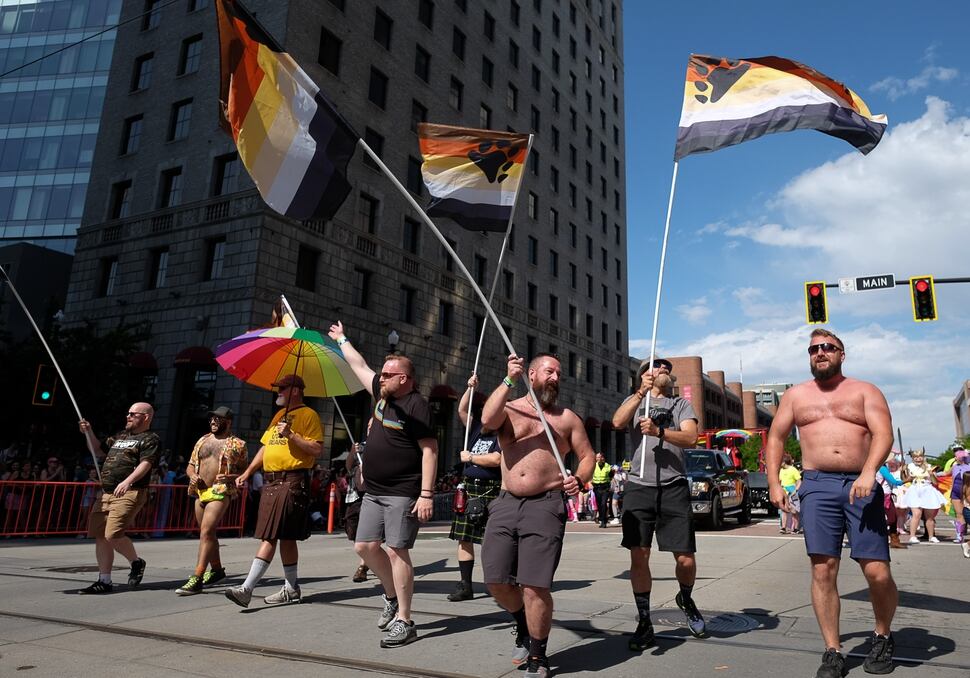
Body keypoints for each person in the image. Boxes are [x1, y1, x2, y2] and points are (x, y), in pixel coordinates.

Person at [766, 329, 898, 678]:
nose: (819, 353)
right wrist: (774, 482)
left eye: (827, 347)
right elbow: (776, 437)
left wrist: (869, 472)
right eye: (813, 349)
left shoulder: (865, 390)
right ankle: (833, 650)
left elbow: (883, 433)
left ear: (842, 353)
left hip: (860, 482)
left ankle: (882, 636)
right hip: (817, 484)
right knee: (823, 569)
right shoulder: (795, 396)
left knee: (877, 571)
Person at [481, 353, 595, 678]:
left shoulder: (567, 418)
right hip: (505, 502)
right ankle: (521, 623)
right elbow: (487, 421)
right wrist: (507, 379)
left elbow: (587, 457)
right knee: (496, 581)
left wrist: (580, 478)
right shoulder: (510, 408)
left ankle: (538, 656)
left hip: (546, 504)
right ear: (531, 374)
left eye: (559, 373)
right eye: (549, 371)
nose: (556, 378)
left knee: (534, 586)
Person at [328, 321, 438, 649]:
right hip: (374, 491)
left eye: (389, 374)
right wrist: (342, 338)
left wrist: (426, 494)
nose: (382, 376)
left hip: (402, 491)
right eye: (383, 374)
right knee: (364, 547)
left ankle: (405, 619)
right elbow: (358, 364)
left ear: (404, 379)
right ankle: (390, 596)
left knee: (396, 550)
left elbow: (430, 450)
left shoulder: (417, 405)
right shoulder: (381, 391)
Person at [611, 356, 707, 652]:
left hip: (673, 486)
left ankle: (686, 597)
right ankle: (644, 620)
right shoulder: (635, 401)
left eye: (667, 367)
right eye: (656, 366)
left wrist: (660, 432)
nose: (663, 369)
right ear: (643, 375)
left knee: (685, 559)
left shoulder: (680, 405)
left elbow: (691, 437)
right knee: (639, 555)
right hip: (639, 487)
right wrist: (640, 393)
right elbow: (616, 422)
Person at [226, 374, 324, 607]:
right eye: (278, 387)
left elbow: (316, 449)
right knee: (287, 538)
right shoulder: (279, 415)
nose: (278, 391)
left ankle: (247, 588)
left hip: (292, 480)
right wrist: (248, 472)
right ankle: (291, 588)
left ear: (296, 391)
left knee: (270, 536)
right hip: (272, 482)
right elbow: (265, 447)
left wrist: (291, 434)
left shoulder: (309, 415)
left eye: (282, 388)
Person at [77, 403, 159, 594]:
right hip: (106, 492)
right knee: (100, 535)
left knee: (112, 534)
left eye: (133, 414)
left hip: (130, 491)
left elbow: (146, 463)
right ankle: (104, 580)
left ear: (146, 417)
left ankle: (136, 563)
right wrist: (88, 433)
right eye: (127, 413)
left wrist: (128, 481)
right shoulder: (120, 435)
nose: (128, 416)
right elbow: (98, 450)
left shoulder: (150, 438)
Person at [175, 406, 248, 595]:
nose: (214, 422)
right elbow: (191, 466)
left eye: (218, 419)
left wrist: (231, 477)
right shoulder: (202, 440)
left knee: (206, 531)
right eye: (212, 419)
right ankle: (216, 570)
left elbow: (243, 470)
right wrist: (192, 476)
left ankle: (197, 577)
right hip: (201, 491)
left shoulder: (238, 444)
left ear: (228, 422)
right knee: (207, 534)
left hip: (220, 491)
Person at [447, 373, 502, 602]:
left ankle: (499, 586)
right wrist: (470, 388)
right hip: (469, 488)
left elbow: (498, 460)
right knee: (464, 538)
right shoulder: (476, 428)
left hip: (492, 489)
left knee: (495, 540)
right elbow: (461, 410)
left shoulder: (503, 434)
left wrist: (471, 457)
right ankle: (465, 585)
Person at [897, 449, 946, 544]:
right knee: (917, 514)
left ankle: (931, 536)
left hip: (927, 490)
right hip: (915, 490)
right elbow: (904, 480)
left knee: (930, 517)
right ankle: (912, 536)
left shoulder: (929, 467)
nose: (918, 459)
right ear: (912, 458)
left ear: (923, 457)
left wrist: (931, 475)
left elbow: (935, 482)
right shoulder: (909, 467)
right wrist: (902, 472)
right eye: (915, 457)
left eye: (920, 457)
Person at [345, 441, 369, 582]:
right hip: (354, 496)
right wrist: (353, 452)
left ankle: (363, 566)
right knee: (353, 531)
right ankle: (369, 557)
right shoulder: (360, 446)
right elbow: (348, 467)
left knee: (368, 534)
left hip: (371, 495)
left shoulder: (382, 443)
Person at [877, 453, 907, 549]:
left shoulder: (876, 468)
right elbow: (894, 481)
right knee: (892, 518)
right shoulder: (882, 468)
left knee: (884, 518)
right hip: (884, 496)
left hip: (879, 494)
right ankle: (893, 539)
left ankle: (890, 539)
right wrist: (907, 480)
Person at [948, 448, 970, 544]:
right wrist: (932, 474)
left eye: (958, 456)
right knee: (959, 514)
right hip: (955, 492)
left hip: (966, 493)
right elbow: (945, 473)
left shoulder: (969, 467)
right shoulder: (954, 467)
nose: (956, 458)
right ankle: (960, 536)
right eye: (956, 456)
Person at [779, 454, 802, 534]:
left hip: (792, 492)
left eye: (780, 461)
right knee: (784, 510)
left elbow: (799, 481)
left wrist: (795, 490)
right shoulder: (781, 470)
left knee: (794, 511)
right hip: (784, 492)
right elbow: (780, 481)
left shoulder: (793, 469)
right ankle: (783, 527)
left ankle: (796, 528)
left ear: (784, 462)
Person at [591, 452, 612, 528]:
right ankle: (601, 518)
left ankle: (604, 520)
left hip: (605, 488)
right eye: (597, 457)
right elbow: (590, 475)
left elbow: (611, 476)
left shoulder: (608, 466)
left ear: (603, 458)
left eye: (600, 457)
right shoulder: (593, 466)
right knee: (599, 505)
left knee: (604, 503)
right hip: (596, 488)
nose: (599, 459)